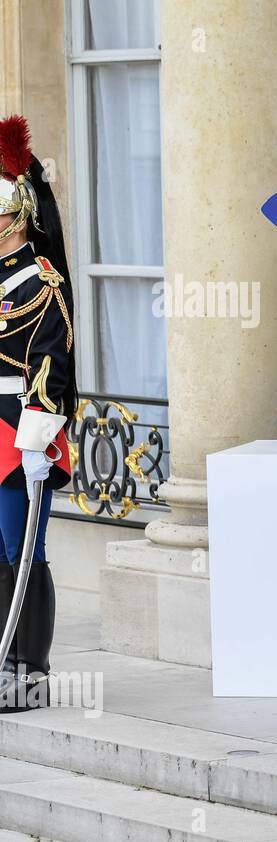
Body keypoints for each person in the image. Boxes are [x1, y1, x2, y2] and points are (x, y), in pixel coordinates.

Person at [0, 115, 76, 713]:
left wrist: (36, 440)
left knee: (25, 548)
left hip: (20, 436)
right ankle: (4, 661)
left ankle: (31, 670)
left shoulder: (40, 281)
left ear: (17, 218)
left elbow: (52, 367)